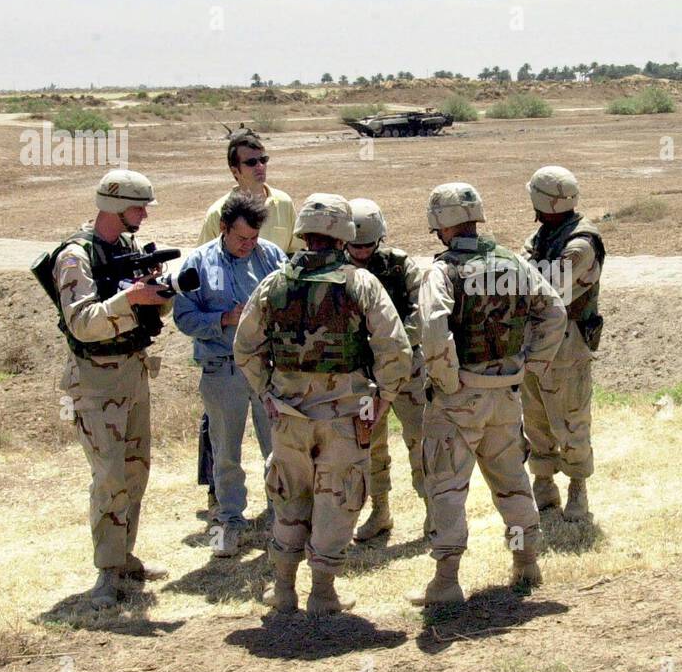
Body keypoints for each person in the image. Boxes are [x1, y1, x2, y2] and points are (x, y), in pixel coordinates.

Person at [234, 194, 412, 615]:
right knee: (338, 499)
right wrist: (383, 399)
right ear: (342, 236)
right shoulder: (361, 284)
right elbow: (396, 350)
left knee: (288, 497)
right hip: (344, 419)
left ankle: (282, 589)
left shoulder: (273, 283)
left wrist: (267, 394)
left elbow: (244, 348)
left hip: (289, 420)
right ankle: (323, 592)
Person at [410, 182, 566, 606]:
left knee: (446, 489)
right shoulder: (513, 262)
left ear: (440, 225)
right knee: (513, 483)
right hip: (505, 395)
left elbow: (434, 328)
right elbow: (554, 310)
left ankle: (446, 582)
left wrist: (447, 381)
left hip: (458, 400)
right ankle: (526, 563)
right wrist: (530, 365)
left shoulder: (442, 272)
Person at [50, 170, 171, 609]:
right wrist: (131, 299)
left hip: (132, 371)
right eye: (139, 207)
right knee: (109, 475)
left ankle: (124, 558)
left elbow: (147, 308)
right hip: (96, 381)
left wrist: (158, 293)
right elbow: (82, 322)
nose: (143, 214)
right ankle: (106, 572)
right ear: (114, 206)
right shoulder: (74, 257)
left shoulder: (128, 249)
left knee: (136, 469)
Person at [174, 191, 287, 558]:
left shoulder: (271, 256)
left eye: (253, 238)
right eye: (241, 238)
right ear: (223, 228)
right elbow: (184, 317)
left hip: (268, 369)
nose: (248, 245)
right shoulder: (198, 264)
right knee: (225, 451)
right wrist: (223, 319)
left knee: (280, 446)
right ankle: (227, 522)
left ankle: (282, 516)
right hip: (222, 369)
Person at [195, 126, 298, 515]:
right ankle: (221, 503)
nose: (260, 167)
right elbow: (207, 268)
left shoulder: (284, 204)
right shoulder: (217, 214)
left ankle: (282, 509)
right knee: (222, 428)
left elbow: (291, 260)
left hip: (271, 346)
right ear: (234, 170)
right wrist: (223, 318)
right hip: (227, 347)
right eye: (251, 162)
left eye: (264, 159)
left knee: (276, 432)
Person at [520, 166, 605, 522]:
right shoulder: (543, 236)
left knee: (571, 421)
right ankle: (543, 486)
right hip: (536, 340)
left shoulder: (581, 244)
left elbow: (546, 285)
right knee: (535, 418)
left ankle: (577, 489)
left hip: (567, 344)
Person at [345, 198, 430, 541]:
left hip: (406, 370)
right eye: (355, 246)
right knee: (370, 444)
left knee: (421, 440)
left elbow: (421, 311)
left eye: (367, 245)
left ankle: (433, 511)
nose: (361, 252)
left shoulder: (400, 265)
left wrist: (393, 347)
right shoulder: (338, 271)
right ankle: (380, 511)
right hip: (365, 379)